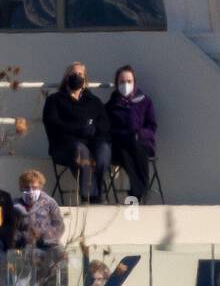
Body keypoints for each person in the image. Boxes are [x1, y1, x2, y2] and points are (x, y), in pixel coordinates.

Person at [42, 62, 111, 203]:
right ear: (66, 77)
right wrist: (78, 130)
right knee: (80, 150)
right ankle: (89, 195)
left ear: (85, 78)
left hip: (91, 142)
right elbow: (53, 124)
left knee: (103, 150)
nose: (77, 76)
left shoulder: (94, 101)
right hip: (65, 146)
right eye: (73, 73)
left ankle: (97, 192)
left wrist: (94, 132)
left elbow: (104, 125)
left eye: (80, 74)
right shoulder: (54, 100)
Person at [105, 65, 157, 204]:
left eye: (129, 81)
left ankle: (136, 192)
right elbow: (107, 129)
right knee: (125, 151)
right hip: (119, 145)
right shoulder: (111, 105)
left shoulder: (145, 101)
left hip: (141, 143)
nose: (125, 84)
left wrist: (139, 134)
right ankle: (139, 191)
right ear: (117, 84)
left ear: (134, 82)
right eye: (122, 82)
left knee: (135, 145)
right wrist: (123, 134)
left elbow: (151, 126)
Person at [12, 170, 64, 250]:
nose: (30, 191)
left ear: (40, 188)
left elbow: (59, 226)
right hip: (22, 246)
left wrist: (42, 235)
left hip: (47, 245)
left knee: (60, 253)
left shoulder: (50, 203)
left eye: (34, 188)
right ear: (21, 188)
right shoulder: (14, 206)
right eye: (26, 187)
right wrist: (25, 237)